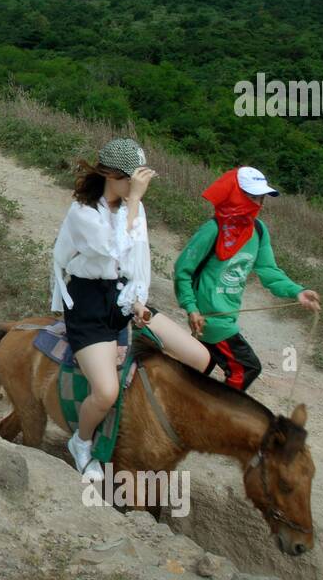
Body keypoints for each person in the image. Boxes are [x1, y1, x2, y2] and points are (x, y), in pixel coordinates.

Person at [52, 137, 211, 480]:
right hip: (89, 304)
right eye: (132, 180)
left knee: (199, 358)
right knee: (106, 391)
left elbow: (136, 260)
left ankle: (151, 417)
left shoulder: (132, 207)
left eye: (140, 182)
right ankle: (81, 442)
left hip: (123, 296)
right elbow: (111, 248)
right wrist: (135, 201)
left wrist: (138, 300)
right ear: (111, 175)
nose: (138, 188)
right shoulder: (83, 212)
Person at [174, 167, 321, 391]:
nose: (258, 204)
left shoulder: (259, 231)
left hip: (227, 316)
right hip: (210, 319)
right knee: (246, 368)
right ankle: (221, 417)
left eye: (261, 197)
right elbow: (182, 270)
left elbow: (269, 271)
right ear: (235, 194)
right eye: (251, 197)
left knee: (195, 373)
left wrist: (297, 292)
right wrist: (191, 307)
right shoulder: (213, 229)